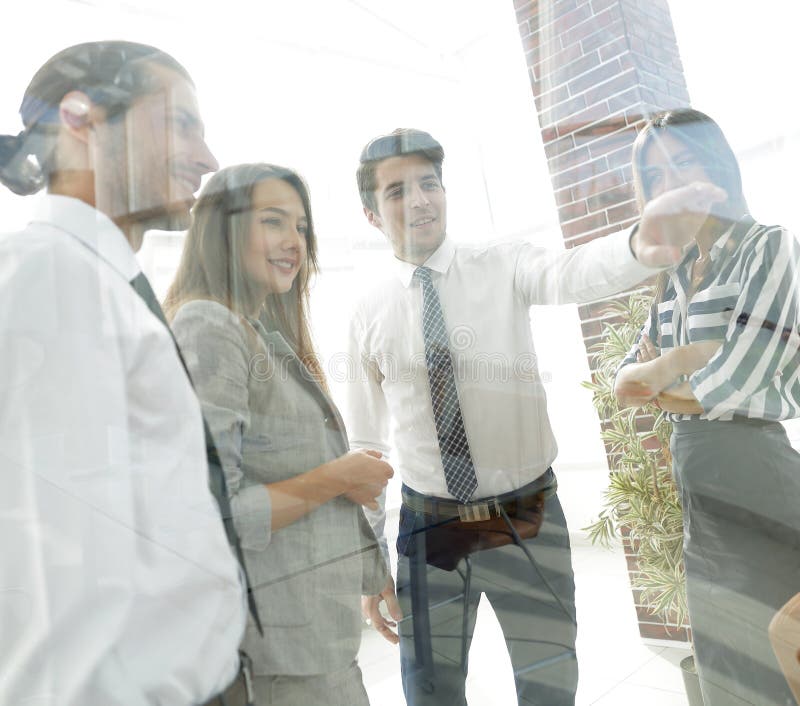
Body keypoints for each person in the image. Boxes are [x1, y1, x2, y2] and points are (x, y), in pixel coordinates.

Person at [345, 127, 725, 706]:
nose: (420, 200)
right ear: (372, 215)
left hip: (525, 513)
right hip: (430, 528)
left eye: (429, 184)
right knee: (429, 689)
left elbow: (573, 271)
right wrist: (370, 561)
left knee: (548, 682)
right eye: (397, 192)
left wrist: (639, 248)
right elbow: (366, 449)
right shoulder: (368, 312)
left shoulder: (503, 264)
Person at [0, 42, 247, 705]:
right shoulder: (52, 278)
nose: (207, 158)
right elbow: (55, 622)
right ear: (80, 118)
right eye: (182, 123)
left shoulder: (103, 286)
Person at [164, 163, 393, 705]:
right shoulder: (208, 326)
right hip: (278, 661)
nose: (294, 242)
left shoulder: (260, 332)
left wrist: (372, 573)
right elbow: (212, 513)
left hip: (313, 643)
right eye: (273, 222)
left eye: (301, 227)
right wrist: (340, 476)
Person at [615, 108, 800, 706]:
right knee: (724, 674)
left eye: (684, 161)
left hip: (761, 484)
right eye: (655, 172)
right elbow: (625, 384)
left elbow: (736, 381)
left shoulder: (766, 248)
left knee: (780, 668)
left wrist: (664, 372)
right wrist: (678, 366)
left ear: (717, 164)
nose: (670, 182)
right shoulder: (671, 279)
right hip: (699, 496)